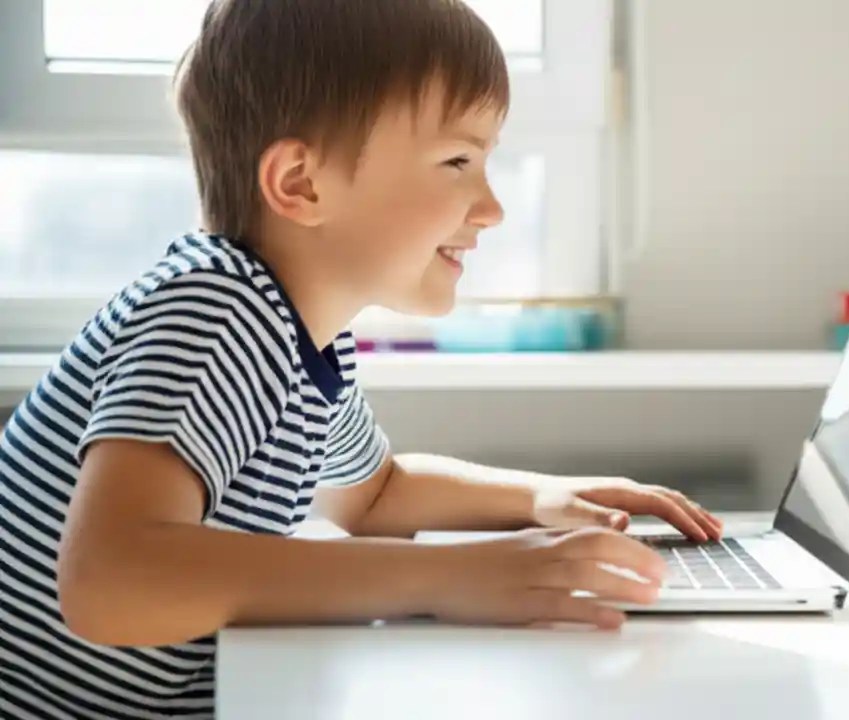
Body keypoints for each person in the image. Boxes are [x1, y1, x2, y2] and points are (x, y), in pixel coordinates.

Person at [0, 1, 722, 717]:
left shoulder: (298, 334)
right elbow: (108, 583)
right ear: (301, 185)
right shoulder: (213, 310)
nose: (492, 207)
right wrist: (447, 578)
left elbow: (373, 493)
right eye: (457, 161)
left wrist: (544, 499)